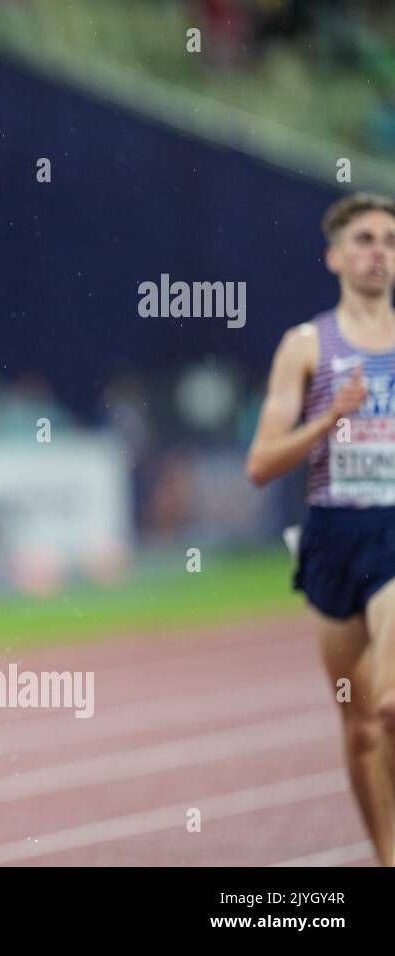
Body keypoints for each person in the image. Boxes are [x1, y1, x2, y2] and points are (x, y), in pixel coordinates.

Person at [246, 191, 395, 866]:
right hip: (334, 536)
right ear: (335, 257)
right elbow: (261, 463)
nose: (379, 253)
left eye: (390, 241)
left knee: (391, 706)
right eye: (365, 239)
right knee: (361, 727)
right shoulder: (307, 345)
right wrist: (331, 416)